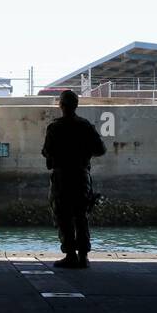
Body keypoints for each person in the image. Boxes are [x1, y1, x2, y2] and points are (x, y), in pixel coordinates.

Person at [42, 89, 107, 269]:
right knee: (81, 215)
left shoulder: (55, 127)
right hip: (81, 175)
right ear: (76, 105)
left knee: (63, 215)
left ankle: (70, 254)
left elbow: (46, 151)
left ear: (61, 106)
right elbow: (101, 149)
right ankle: (83, 256)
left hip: (62, 176)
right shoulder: (85, 126)